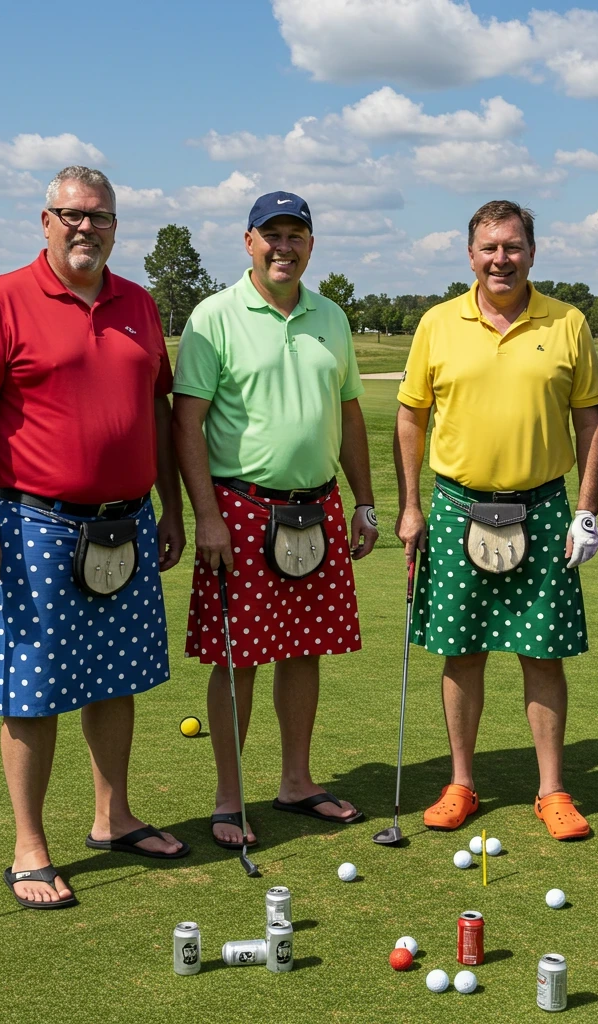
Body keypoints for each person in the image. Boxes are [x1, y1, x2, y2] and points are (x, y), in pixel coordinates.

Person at [0, 165, 188, 910]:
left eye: (102, 217)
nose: (87, 228)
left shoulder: (137, 304)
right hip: (34, 525)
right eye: (72, 215)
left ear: (117, 225)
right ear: (44, 220)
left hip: (128, 522)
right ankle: (29, 846)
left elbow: (158, 415)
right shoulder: (1, 301)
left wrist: (171, 508)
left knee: (116, 679)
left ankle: (112, 817)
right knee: (34, 689)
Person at [171, 191, 378, 849]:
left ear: (310, 245)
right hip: (239, 508)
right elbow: (187, 424)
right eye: (272, 235)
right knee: (238, 661)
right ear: (249, 241)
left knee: (304, 651)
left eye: (296, 236)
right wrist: (205, 515)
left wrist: (365, 500)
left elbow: (348, 416)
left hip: (316, 508)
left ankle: (296, 782)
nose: (283, 247)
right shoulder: (216, 316)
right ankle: (228, 798)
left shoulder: (331, 317)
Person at [395, 200, 598, 839]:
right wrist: (410, 507)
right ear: (470, 255)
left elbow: (590, 419)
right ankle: (461, 782)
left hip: (541, 507)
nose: (500, 259)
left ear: (533, 253)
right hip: (459, 506)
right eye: (489, 248)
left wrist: (587, 510)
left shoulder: (568, 322)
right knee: (461, 653)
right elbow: (411, 415)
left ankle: (552, 790)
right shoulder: (437, 323)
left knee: (542, 654)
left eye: (513, 247)